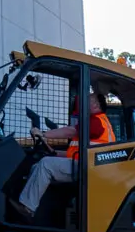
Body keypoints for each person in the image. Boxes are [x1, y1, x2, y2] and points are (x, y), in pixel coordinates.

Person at [15, 89, 115, 220]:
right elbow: (78, 151)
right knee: (37, 166)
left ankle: (27, 208)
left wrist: (43, 134)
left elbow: (70, 132)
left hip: (86, 169)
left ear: (96, 104)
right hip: (87, 166)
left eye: (89, 100)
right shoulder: (101, 122)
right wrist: (55, 153)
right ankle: (34, 209)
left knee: (46, 164)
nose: (83, 102)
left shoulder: (96, 121)